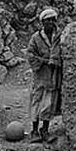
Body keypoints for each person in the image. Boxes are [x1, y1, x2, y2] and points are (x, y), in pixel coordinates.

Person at [27, 8, 63, 141]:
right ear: (42, 22)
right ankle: (34, 130)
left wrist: (56, 61)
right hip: (41, 75)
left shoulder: (59, 36)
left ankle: (45, 130)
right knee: (37, 101)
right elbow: (30, 54)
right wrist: (43, 61)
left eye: (53, 20)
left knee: (49, 103)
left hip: (53, 76)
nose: (51, 23)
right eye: (48, 20)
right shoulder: (36, 38)